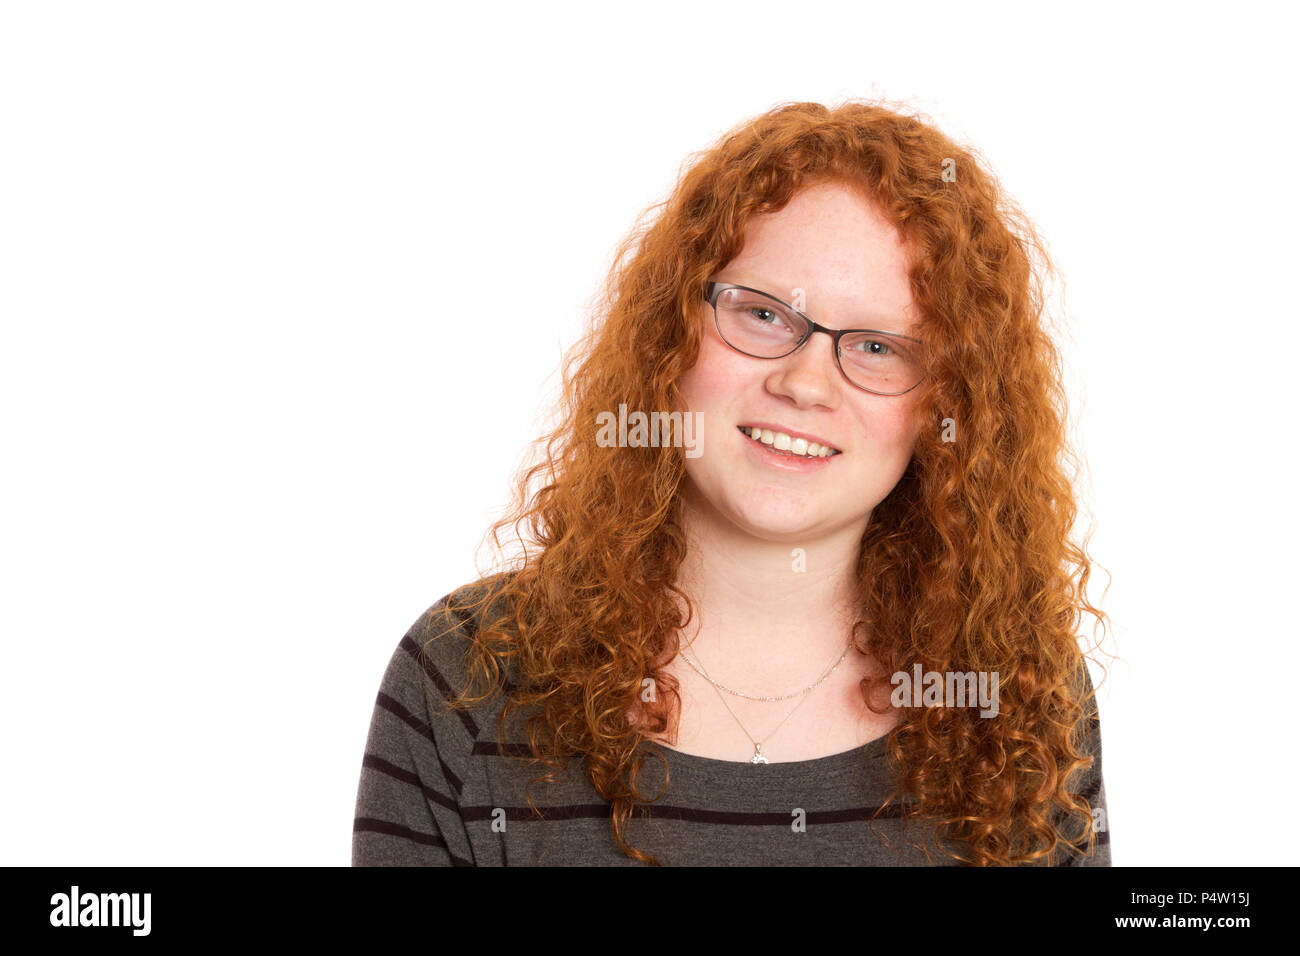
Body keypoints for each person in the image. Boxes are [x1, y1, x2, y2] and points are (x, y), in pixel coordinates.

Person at [351, 99, 1112, 866]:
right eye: (764, 315)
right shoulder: (464, 678)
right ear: (672, 331)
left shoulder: (1014, 694)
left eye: (880, 346)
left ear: (948, 404)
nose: (807, 384)